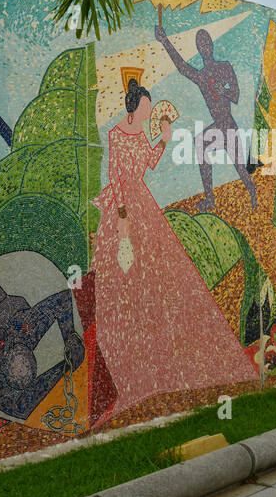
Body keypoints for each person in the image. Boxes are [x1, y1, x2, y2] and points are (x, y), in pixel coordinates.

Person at [91, 79, 255, 428]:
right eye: (148, 108)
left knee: (163, 279)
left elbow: (147, 164)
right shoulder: (117, 135)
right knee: (128, 284)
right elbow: (117, 179)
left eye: (154, 109)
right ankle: (135, 371)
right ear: (136, 106)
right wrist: (121, 222)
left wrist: (163, 141)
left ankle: (169, 360)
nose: (152, 113)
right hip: (125, 209)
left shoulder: (138, 135)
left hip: (144, 203)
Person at [155, 25, 256, 210]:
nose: (205, 47)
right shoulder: (201, 76)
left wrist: (224, 91)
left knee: (240, 168)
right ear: (199, 49)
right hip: (219, 126)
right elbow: (182, 68)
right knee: (200, 143)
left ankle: (252, 190)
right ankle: (210, 199)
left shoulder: (225, 67)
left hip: (229, 125)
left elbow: (236, 95)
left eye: (206, 43)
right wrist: (164, 41)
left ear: (211, 45)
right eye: (201, 45)